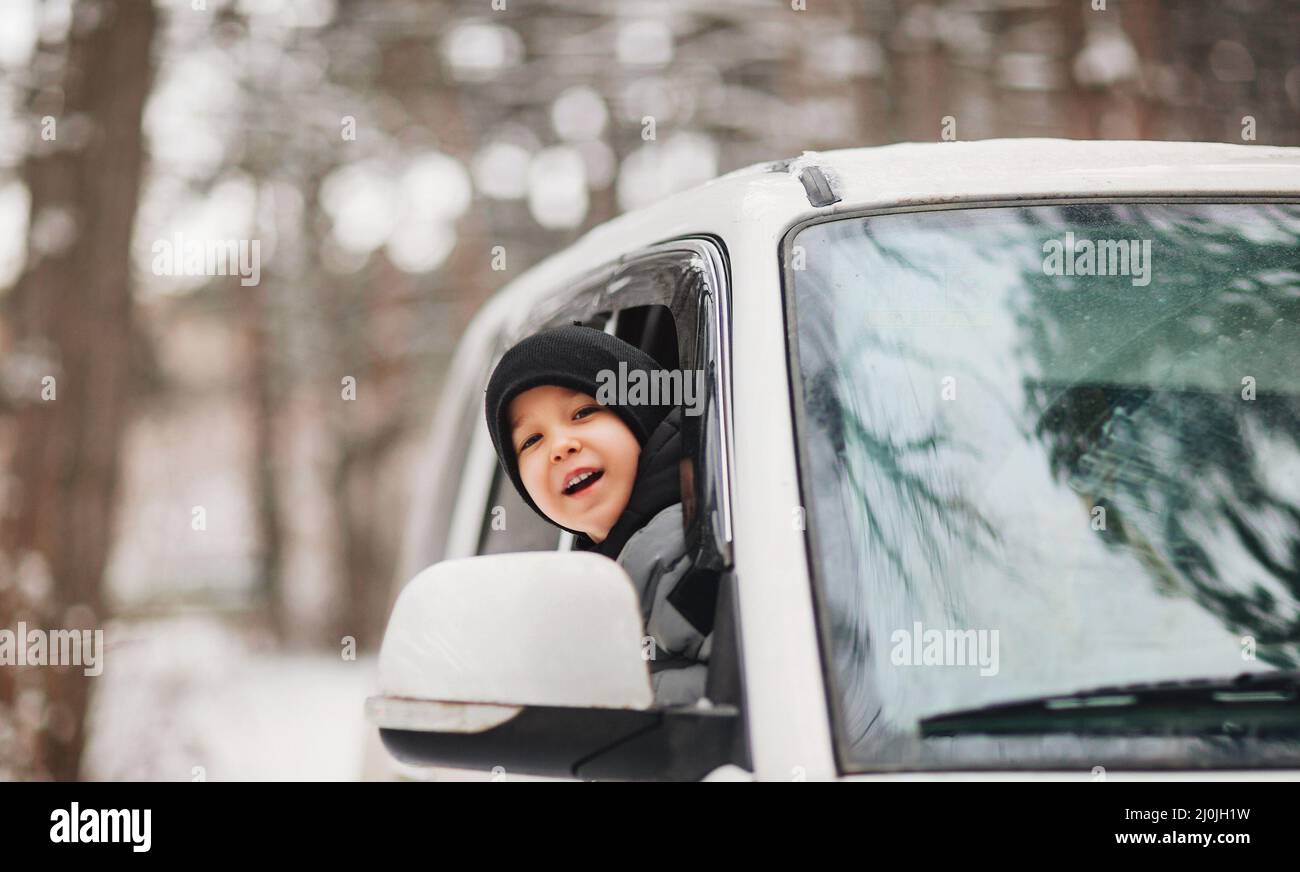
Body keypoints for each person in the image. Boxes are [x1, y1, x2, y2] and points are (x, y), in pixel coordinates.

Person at [483, 324, 710, 705]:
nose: (561, 446)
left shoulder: (689, 554)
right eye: (532, 440)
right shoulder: (606, 570)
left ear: (643, 412)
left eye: (584, 411)